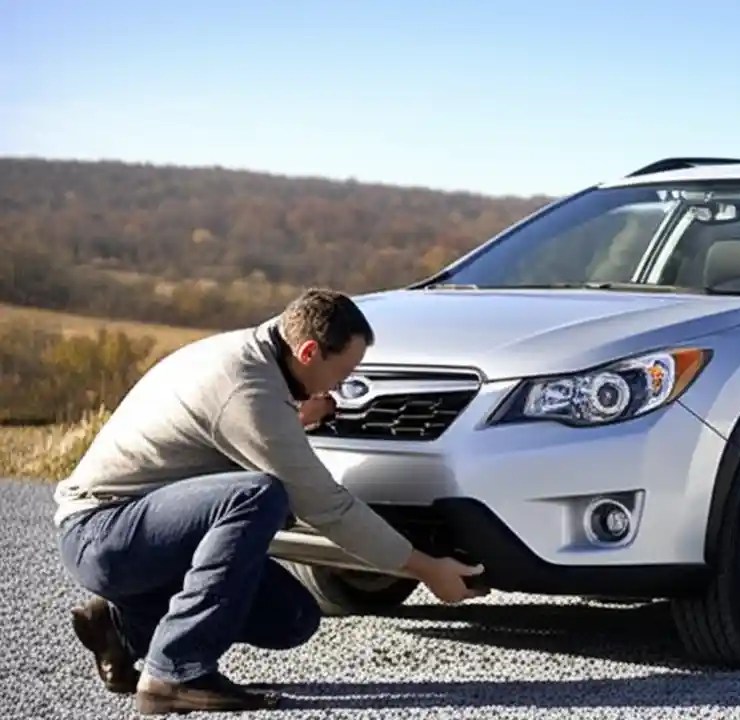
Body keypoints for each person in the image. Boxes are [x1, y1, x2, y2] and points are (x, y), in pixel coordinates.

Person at [53, 288, 486, 714]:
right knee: (258, 496)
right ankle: (174, 675)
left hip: (145, 532)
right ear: (310, 352)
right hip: (102, 533)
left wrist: (294, 418)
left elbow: (229, 433)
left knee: (292, 617)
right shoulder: (246, 389)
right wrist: (428, 569)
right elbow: (328, 507)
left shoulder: (251, 357)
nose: (342, 386)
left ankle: (119, 628)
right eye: (343, 373)